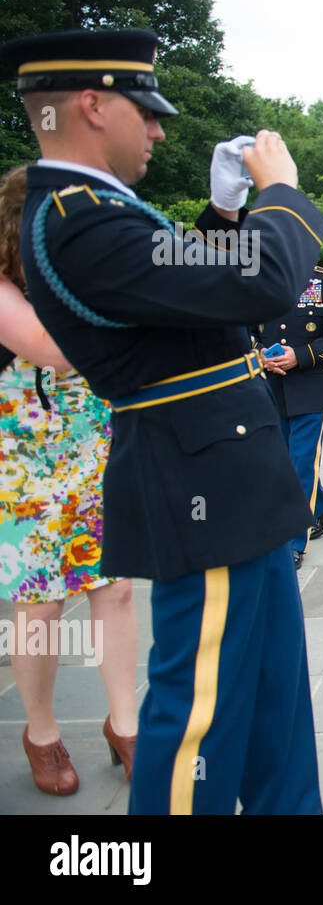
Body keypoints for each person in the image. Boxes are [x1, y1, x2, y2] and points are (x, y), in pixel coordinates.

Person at [7, 28, 323, 813]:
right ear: (90, 104)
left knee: (272, 708)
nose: (157, 129)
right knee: (200, 726)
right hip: (205, 487)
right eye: (145, 110)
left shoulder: (100, 211)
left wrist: (223, 213)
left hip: (230, 481)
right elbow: (259, 285)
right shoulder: (76, 219)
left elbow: (191, 300)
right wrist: (281, 193)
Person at [0, 164, 138, 796]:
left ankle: (126, 724)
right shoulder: (7, 286)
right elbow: (53, 349)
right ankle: (42, 732)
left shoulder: (83, 278)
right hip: (23, 469)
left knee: (115, 589)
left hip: (94, 455)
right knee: (41, 603)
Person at [256, 263, 323, 568]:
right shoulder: (258, 279)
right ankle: (322, 504)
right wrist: (259, 354)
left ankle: (295, 540)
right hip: (272, 386)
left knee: (301, 462)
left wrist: (299, 356)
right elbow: (245, 331)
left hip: (309, 388)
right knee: (280, 462)